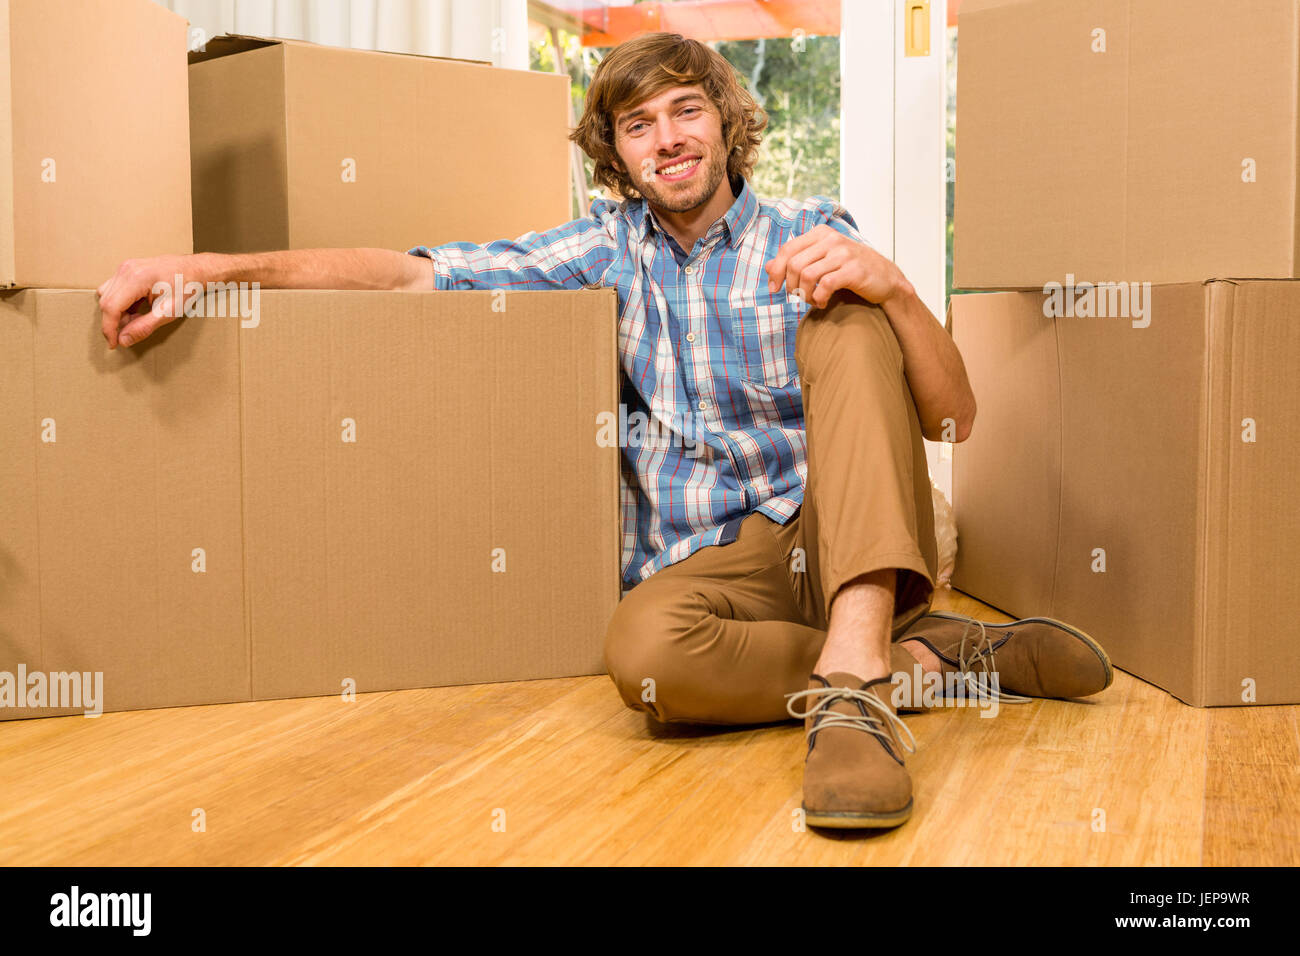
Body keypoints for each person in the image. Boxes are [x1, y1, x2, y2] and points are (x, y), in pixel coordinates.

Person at [96, 31, 1112, 830]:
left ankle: (853, 687)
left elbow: (953, 417)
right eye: (638, 124)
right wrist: (215, 269)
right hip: (721, 562)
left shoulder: (812, 232)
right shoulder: (604, 250)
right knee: (645, 658)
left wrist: (892, 286)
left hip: (845, 530)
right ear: (616, 154)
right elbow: (412, 274)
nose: (666, 138)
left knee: (847, 317)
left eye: (685, 110)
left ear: (725, 122)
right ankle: (928, 664)